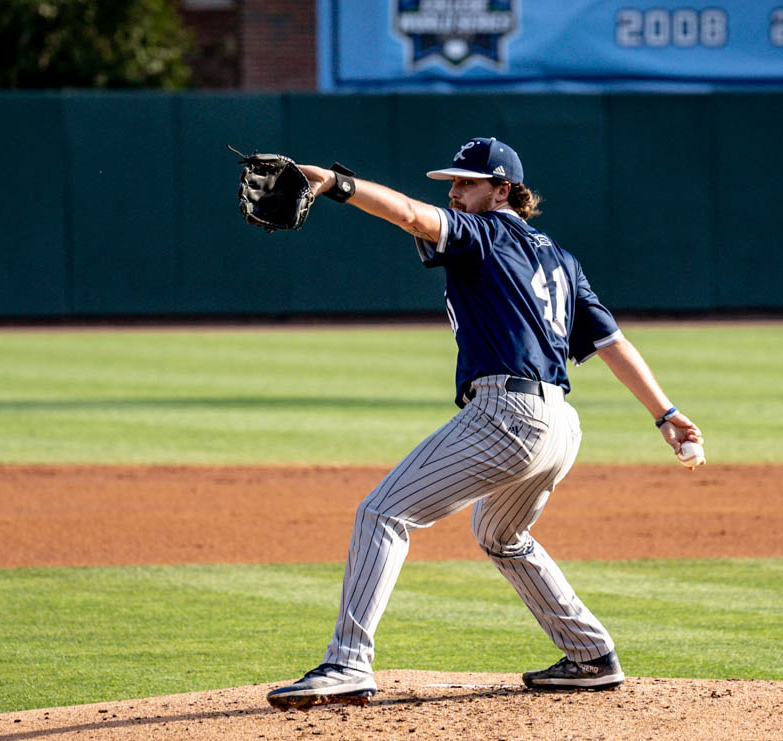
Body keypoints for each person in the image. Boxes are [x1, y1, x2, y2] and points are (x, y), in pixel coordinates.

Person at [266, 137, 702, 711]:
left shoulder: (487, 233)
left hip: (508, 415)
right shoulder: (561, 259)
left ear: (503, 190)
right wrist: (665, 414)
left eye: (465, 183)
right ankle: (591, 655)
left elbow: (408, 214)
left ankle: (347, 664)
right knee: (501, 535)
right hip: (559, 426)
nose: (453, 193)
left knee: (382, 512)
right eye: (452, 183)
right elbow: (610, 342)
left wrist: (334, 183)